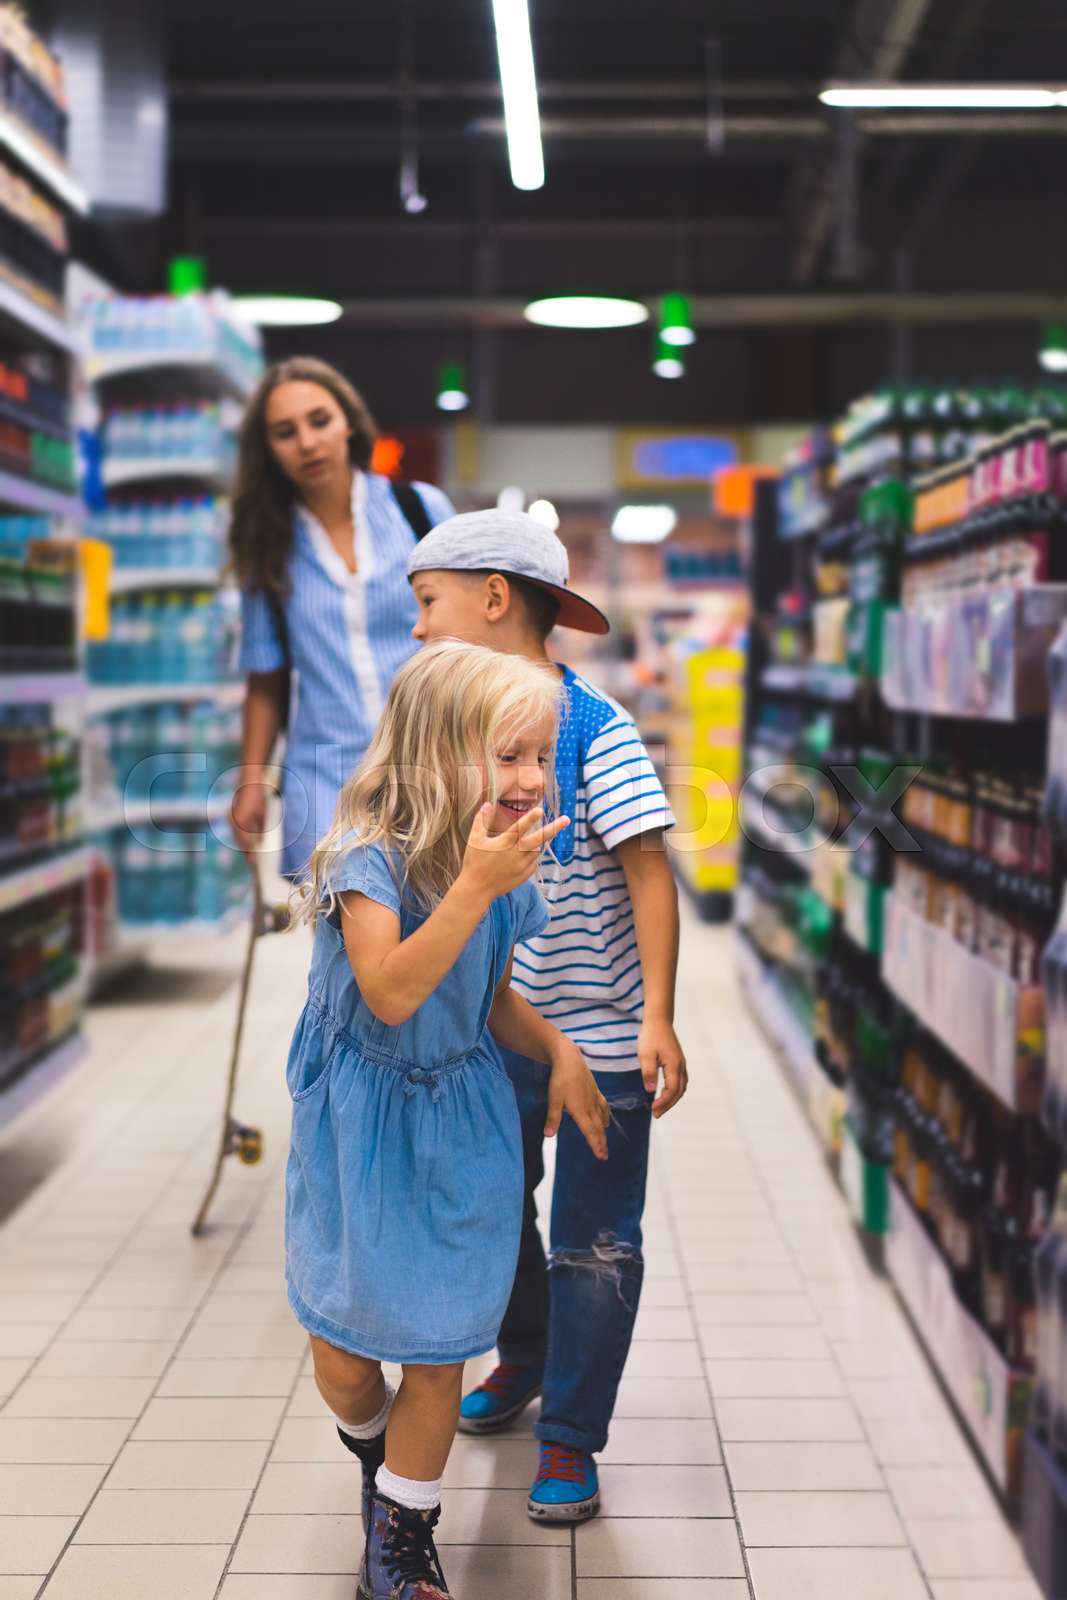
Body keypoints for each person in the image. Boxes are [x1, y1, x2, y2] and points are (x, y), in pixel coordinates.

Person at [286, 639, 612, 1600]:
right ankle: (381, 1465)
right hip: (361, 1126)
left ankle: (401, 1541)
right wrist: (472, 885)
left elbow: (486, 995)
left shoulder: (511, 865)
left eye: (539, 757)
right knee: (347, 1363)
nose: (530, 778)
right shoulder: (364, 862)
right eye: (507, 755)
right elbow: (389, 991)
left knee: (437, 1352)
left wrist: (557, 1047)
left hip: (461, 1119)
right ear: (433, 752)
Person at [408, 509, 688, 1523]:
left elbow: (649, 870)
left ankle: (569, 1432)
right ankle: (524, 1354)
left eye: (426, 601)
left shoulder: (589, 726)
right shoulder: (441, 730)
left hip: (605, 1028)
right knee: (493, 1209)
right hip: (496, 1025)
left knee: (595, 1237)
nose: (414, 627)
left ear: (492, 598)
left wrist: (657, 1014)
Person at [228, 356, 454, 880]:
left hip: (436, 760)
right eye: (286, 432)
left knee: (444, 940)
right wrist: (253, 779)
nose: (307, 442)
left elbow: (476, 635)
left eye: (319, 420)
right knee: (347, 952)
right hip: (326, 773)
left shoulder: (419, 510)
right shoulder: (266, 545)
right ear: (269, 450)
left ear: (348, 422)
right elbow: (266, 679)